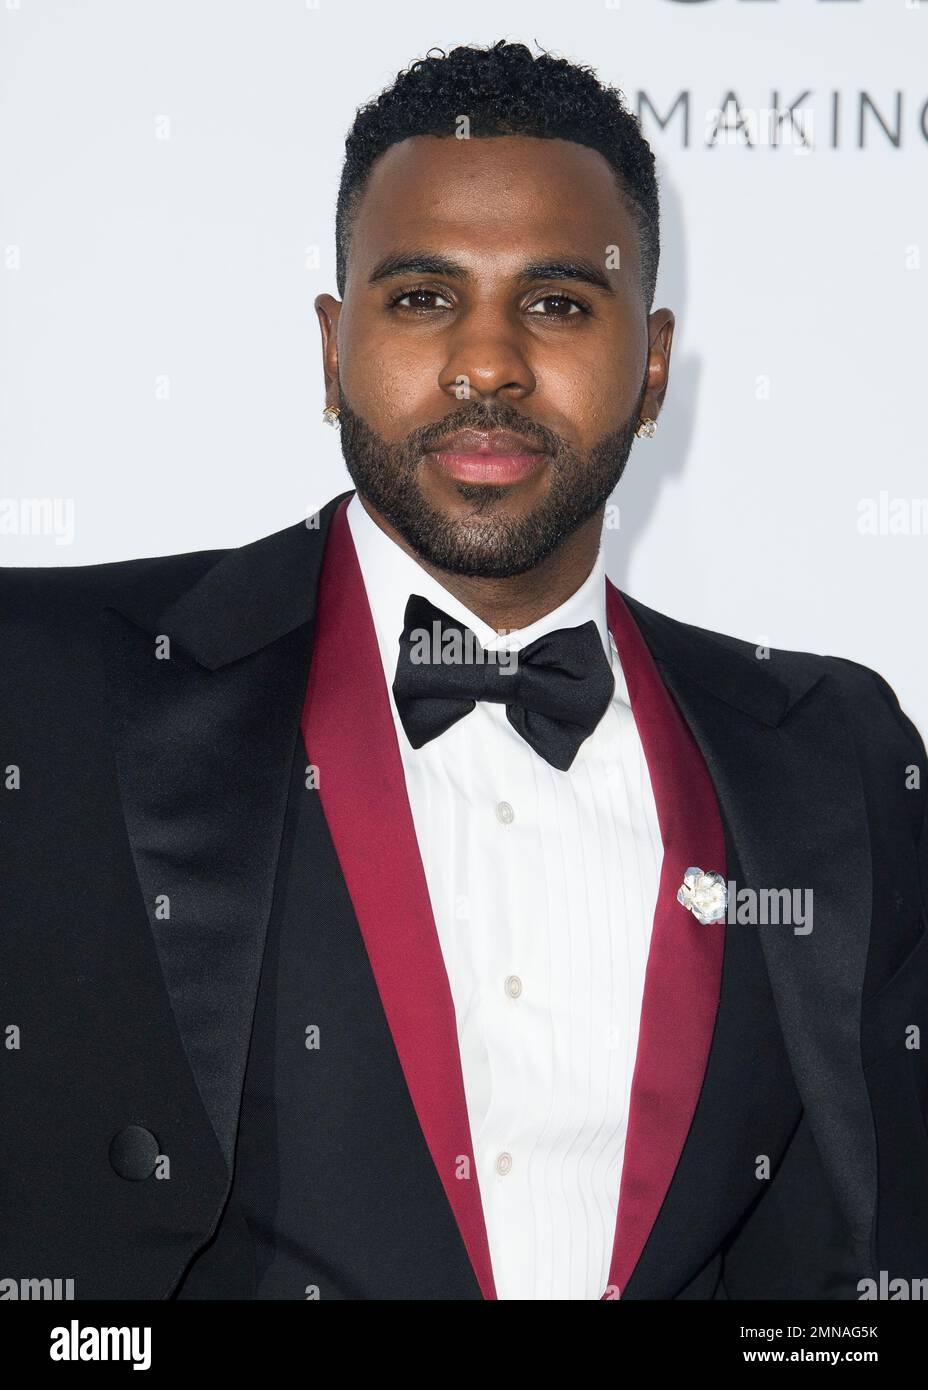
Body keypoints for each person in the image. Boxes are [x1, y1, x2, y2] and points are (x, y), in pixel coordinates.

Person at [2, 41, 926, 1302]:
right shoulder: (51, 686)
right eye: (423, 297)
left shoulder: (836, 749)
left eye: (556, 303)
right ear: (331, 350)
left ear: (651, 368)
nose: (485, 364)